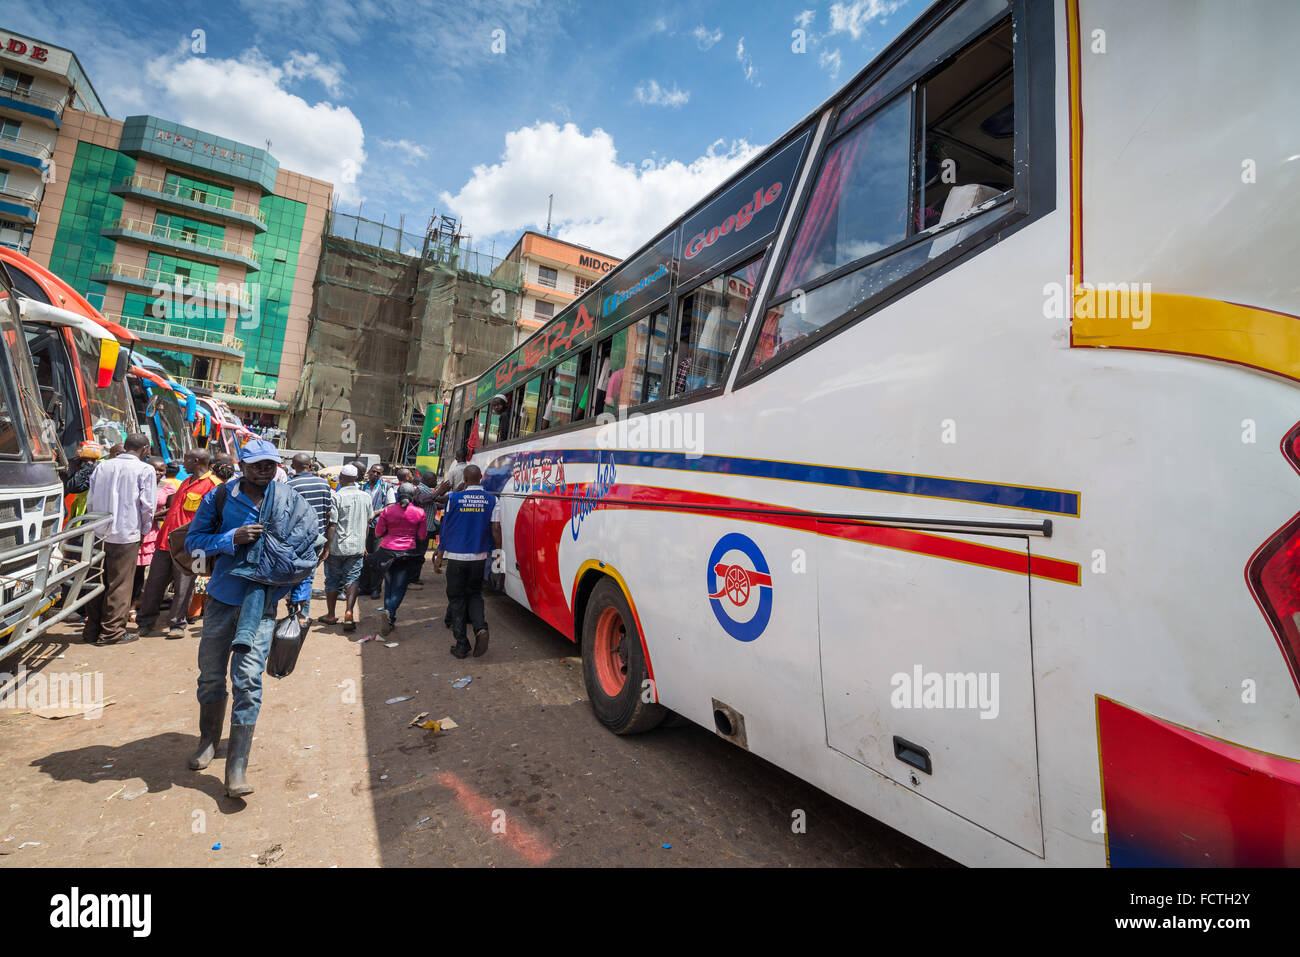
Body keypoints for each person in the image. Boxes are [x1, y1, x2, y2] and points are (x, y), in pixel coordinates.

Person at [183, 439, 301, 798]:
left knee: (248, 681)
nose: (264, 470)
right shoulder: (218, 498)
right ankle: (208, 741)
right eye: (256, 465)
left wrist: (297, 599)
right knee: (211, 676)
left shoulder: (289, 501)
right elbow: (194, 542)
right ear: (242, 466)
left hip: (263, 605)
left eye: (269, 464)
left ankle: (237, 765)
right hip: (222, 598)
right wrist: (230, 538)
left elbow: (304, 550)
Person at [82, 433, 157, 646]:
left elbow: (91, 499)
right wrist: (144, 531)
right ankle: (112, 632)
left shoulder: (103, 466)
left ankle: (92, 630)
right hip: (126, 534)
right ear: (144, 449)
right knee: (120, 584)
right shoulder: (145, 469)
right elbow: (148, 506)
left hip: (98, 531)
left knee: (97, 580)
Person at [136, 448, 218, 638]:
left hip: (190, 546)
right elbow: (175, 510)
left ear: (196, 461)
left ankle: (177, 624)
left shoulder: (214, 485)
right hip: (165, 542)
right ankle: (146, 621)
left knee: (184, 587)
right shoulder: (185, 482)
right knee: (153, 585)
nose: (183, 463)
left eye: (187, 459)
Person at [434, 464, 499, 659]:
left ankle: (462, 644)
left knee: (456, 599)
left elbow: (445, 527)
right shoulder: (493, 500)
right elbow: (496, 529)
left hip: (455, 557)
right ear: (481, 477)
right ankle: (480, 629)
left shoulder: (453, 498)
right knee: (475, 594)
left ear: (464, 477)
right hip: (479, 557)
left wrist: (439, 554)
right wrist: (499, 556)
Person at [320, 464, 373, 631]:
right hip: (357, 547)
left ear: (341, 478)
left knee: (332, 580)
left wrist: (327, 548)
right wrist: (363, 543)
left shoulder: (336, 497)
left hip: (337, 546)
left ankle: (331, 615)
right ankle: (349, 612)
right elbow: (367, 522)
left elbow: (333, 524)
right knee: (353, 579)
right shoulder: (366, 497)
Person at [286, 452, 333, 621]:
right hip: (318, 538)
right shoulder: (324, 484)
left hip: (296, 539)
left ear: (293, 466)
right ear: (310, 466)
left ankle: (294, 612)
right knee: (308, 576)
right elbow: (328, 513)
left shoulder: (290, 485)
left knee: (292, 574)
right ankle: (303, 615)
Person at [374, 483, 426, 636]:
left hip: (387, 551)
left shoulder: (387, 511)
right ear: (413, 496)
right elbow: (422, 536)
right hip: (406, 553)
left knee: (389, 585)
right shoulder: (419, 512)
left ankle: (390, 617)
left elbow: (378, 532)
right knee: (400, 587)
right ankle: (390, 613)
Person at [133, 456, 175, 607]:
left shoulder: (167, 487)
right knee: (133, 570)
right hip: (135, 528)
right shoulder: (137, 483)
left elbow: (170, 511)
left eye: (161, 469)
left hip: (153, 532)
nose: (158, 472)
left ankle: (139, 602)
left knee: (147, 571)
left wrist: (150, 516)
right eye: (154, 468)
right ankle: (131, 602)